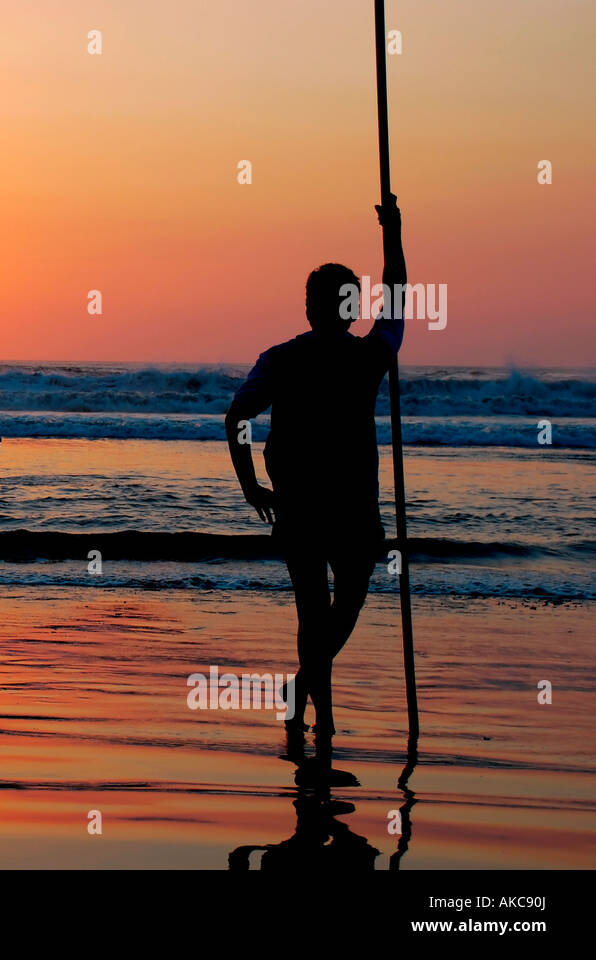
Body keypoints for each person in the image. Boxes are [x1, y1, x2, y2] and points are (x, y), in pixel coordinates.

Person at [224, 196, 406, 742]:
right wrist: (394, 234)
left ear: (310, 307)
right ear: (347, 308)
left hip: (309, 499)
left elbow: (236, 416)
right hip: (338, 501)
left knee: (317, 609)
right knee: (345, 598)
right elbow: (397, 295)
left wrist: (249, 483)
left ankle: (307, 689)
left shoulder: (283, 358)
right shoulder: (368, 355)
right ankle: (319, 712)